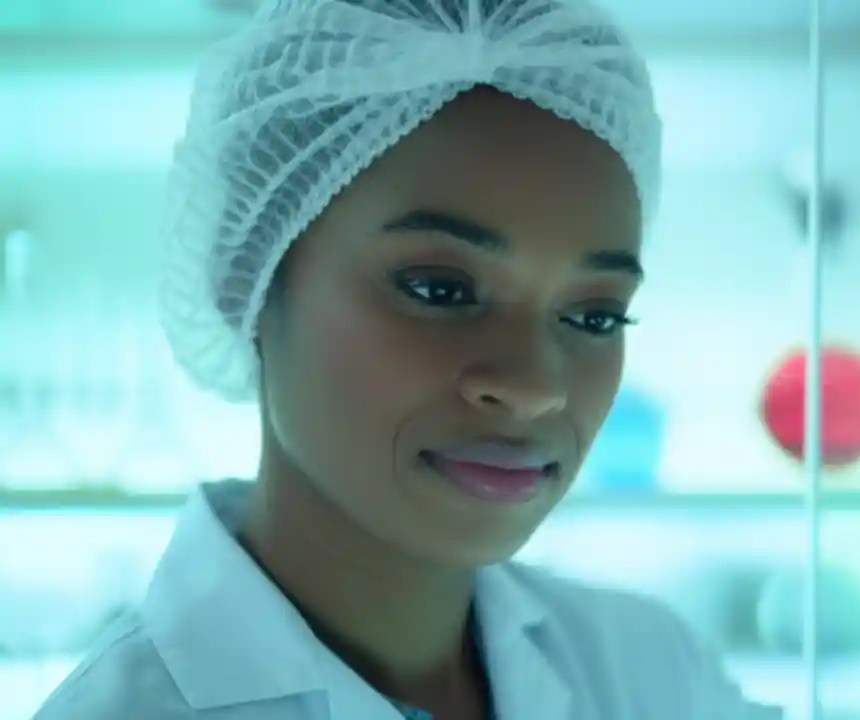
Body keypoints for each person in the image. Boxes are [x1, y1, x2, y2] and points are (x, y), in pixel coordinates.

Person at [33, 1, 782, 718]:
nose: (533, 387)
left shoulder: (651, 672)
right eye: (440, 289)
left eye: (595, 315)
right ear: (246, 282)